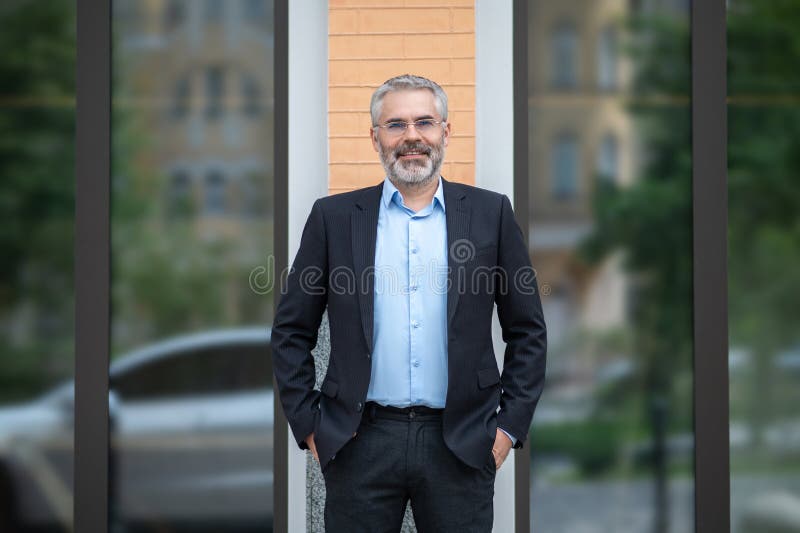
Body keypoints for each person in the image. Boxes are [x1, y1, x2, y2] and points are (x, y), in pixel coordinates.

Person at [271, 74, 547, 533]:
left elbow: (528, 331)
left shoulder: (491, 214)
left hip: (461, 440)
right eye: (395, 124)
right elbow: (291, 331)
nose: (411, 136)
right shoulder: (333, 219)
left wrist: (506, 430)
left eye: (424, 122)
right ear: (375, 137)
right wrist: (309, 425)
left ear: (446, 132)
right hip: (360, 441)